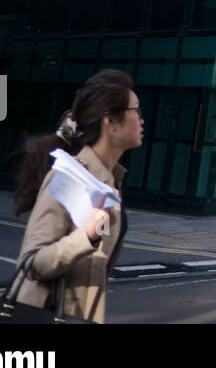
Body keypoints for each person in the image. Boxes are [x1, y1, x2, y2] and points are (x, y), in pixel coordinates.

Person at [13, 70, 143, 322]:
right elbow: (31, 262)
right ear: (111, 121)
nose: (141, 120)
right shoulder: (69, 176)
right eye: (135, 110)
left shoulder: (109, 180)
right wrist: (85, 237)